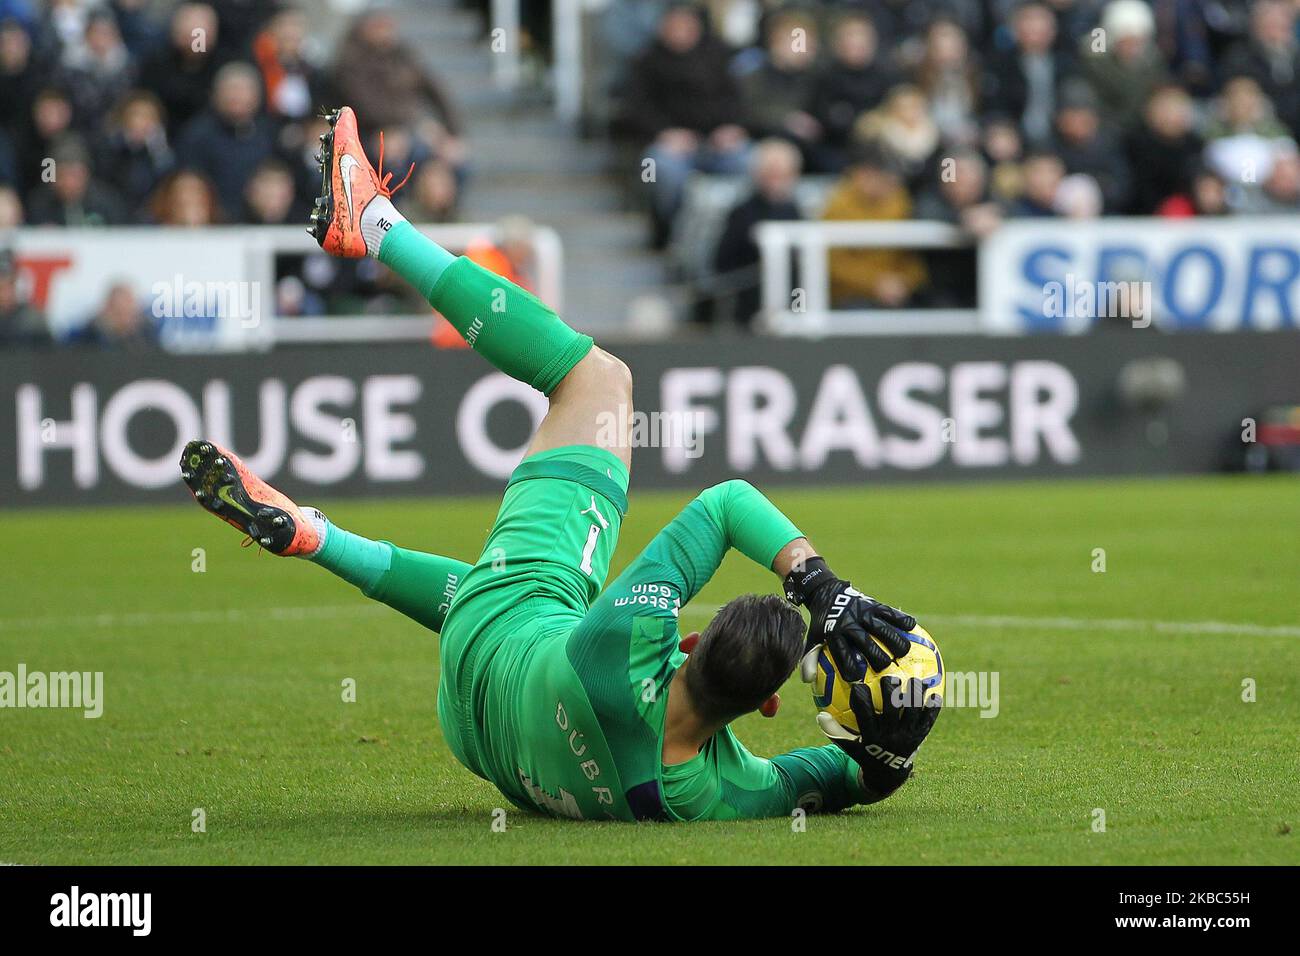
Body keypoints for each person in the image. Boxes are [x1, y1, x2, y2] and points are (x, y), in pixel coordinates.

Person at [180, 105, 942, 822]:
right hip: (480, 737)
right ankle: (315, 535)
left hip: (527, 644)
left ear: (687, 641)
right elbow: (844, 780)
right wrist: (887, 755)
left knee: (598, 382)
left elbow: (725, 502)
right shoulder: (710, 796)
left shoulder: (622, 642)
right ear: (763, 708)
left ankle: (374, 224)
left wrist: (819, 585)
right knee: (496, 605)